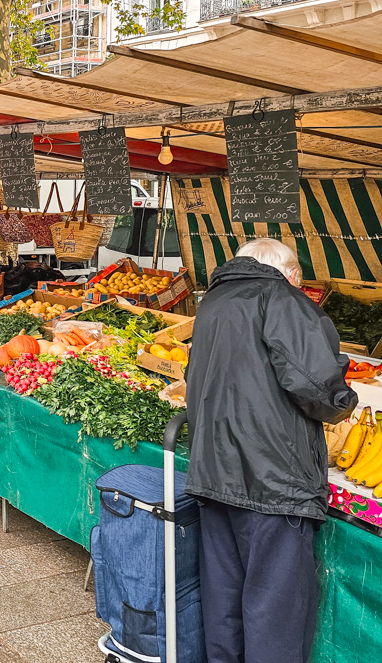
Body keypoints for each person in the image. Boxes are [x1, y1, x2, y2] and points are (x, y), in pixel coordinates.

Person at [186, 238, 357, 663]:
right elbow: (316, 384)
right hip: (273, 480)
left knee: (224, 600)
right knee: (275, 610)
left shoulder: (214, 301)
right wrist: (344, 402)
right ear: (292, 273)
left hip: (215, 470)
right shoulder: (283, 299)